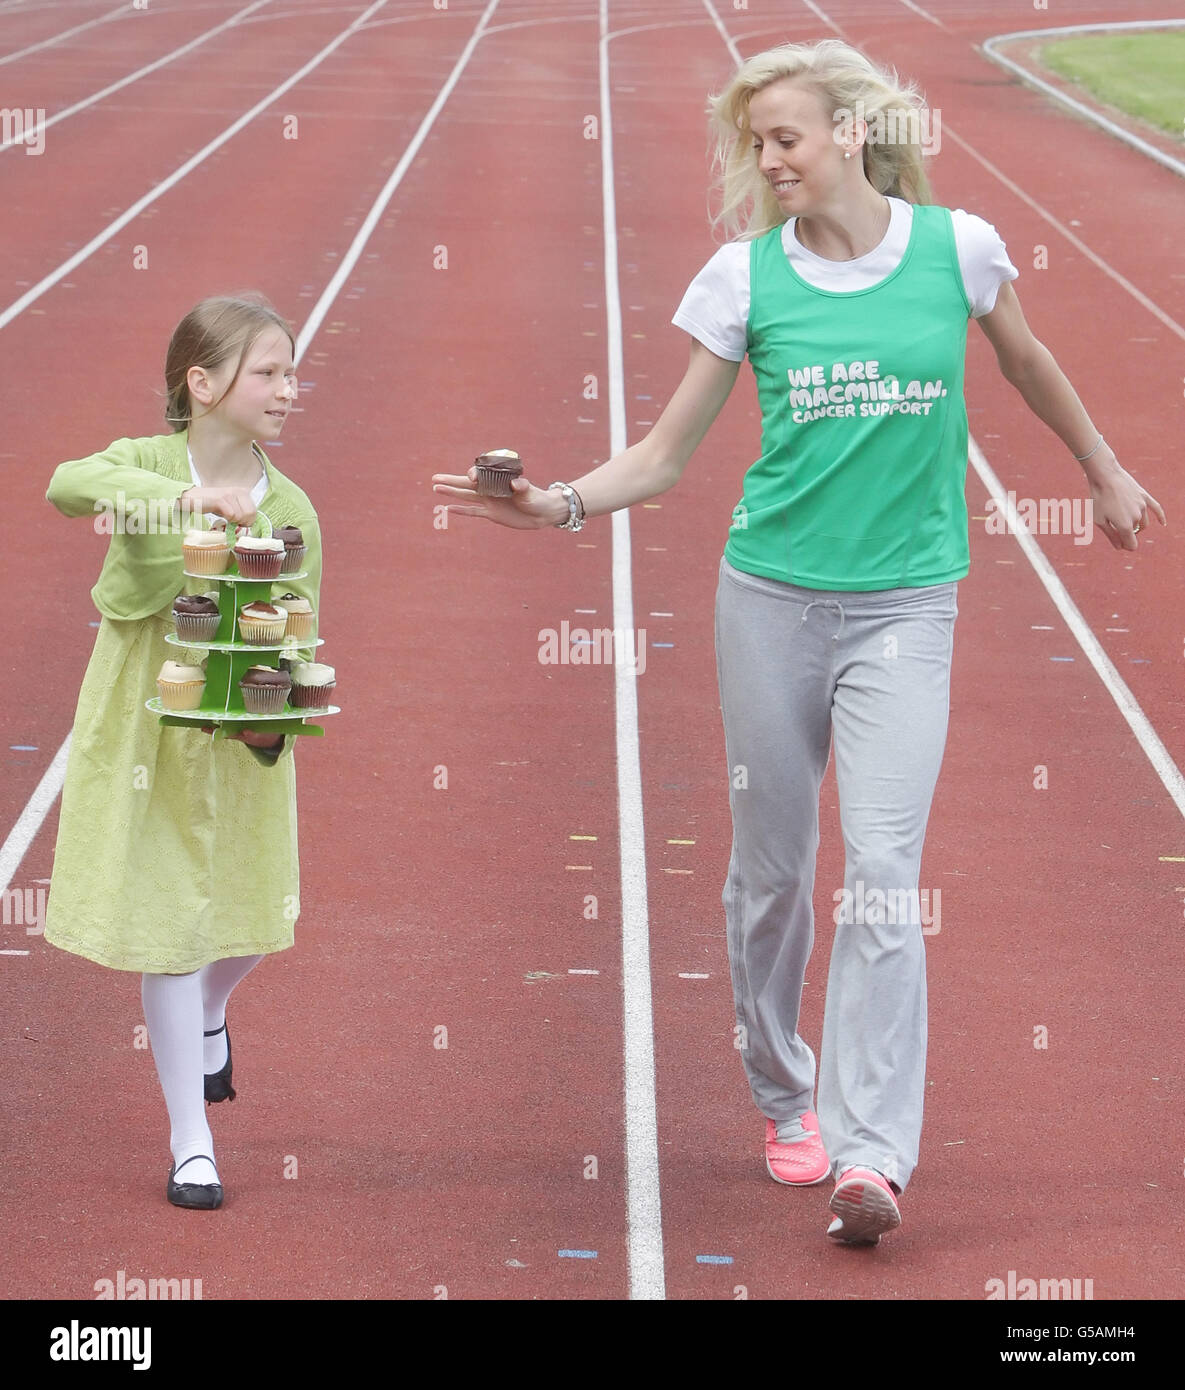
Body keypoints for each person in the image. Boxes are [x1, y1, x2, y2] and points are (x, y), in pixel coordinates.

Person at [432, 38, 1164, 1245]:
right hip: (768, 603)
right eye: (756, 142)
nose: (766, 159)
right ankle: (784, 1090)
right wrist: (556, 502)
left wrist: (1105, 472)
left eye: (786, 137)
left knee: (883, 871)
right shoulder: (742, 281)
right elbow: (664, 457)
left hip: (907, 608)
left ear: (852, 134)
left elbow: (1028, 363)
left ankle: (872, 1153)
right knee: (772, 875)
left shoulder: (958, 249)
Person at [44, 294, 322, 1210]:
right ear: (202, 384)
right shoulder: (145, 464)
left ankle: (212, 1007)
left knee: (253, 913)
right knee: (168, 926)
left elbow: (297, 619)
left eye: (290, 372)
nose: (289, 388)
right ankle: (190, 1141)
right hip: (142, 712)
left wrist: (275, 709)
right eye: (268, 372)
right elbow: (68, 484)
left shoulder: (291, 507)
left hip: (234, 714)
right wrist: (185, 499)